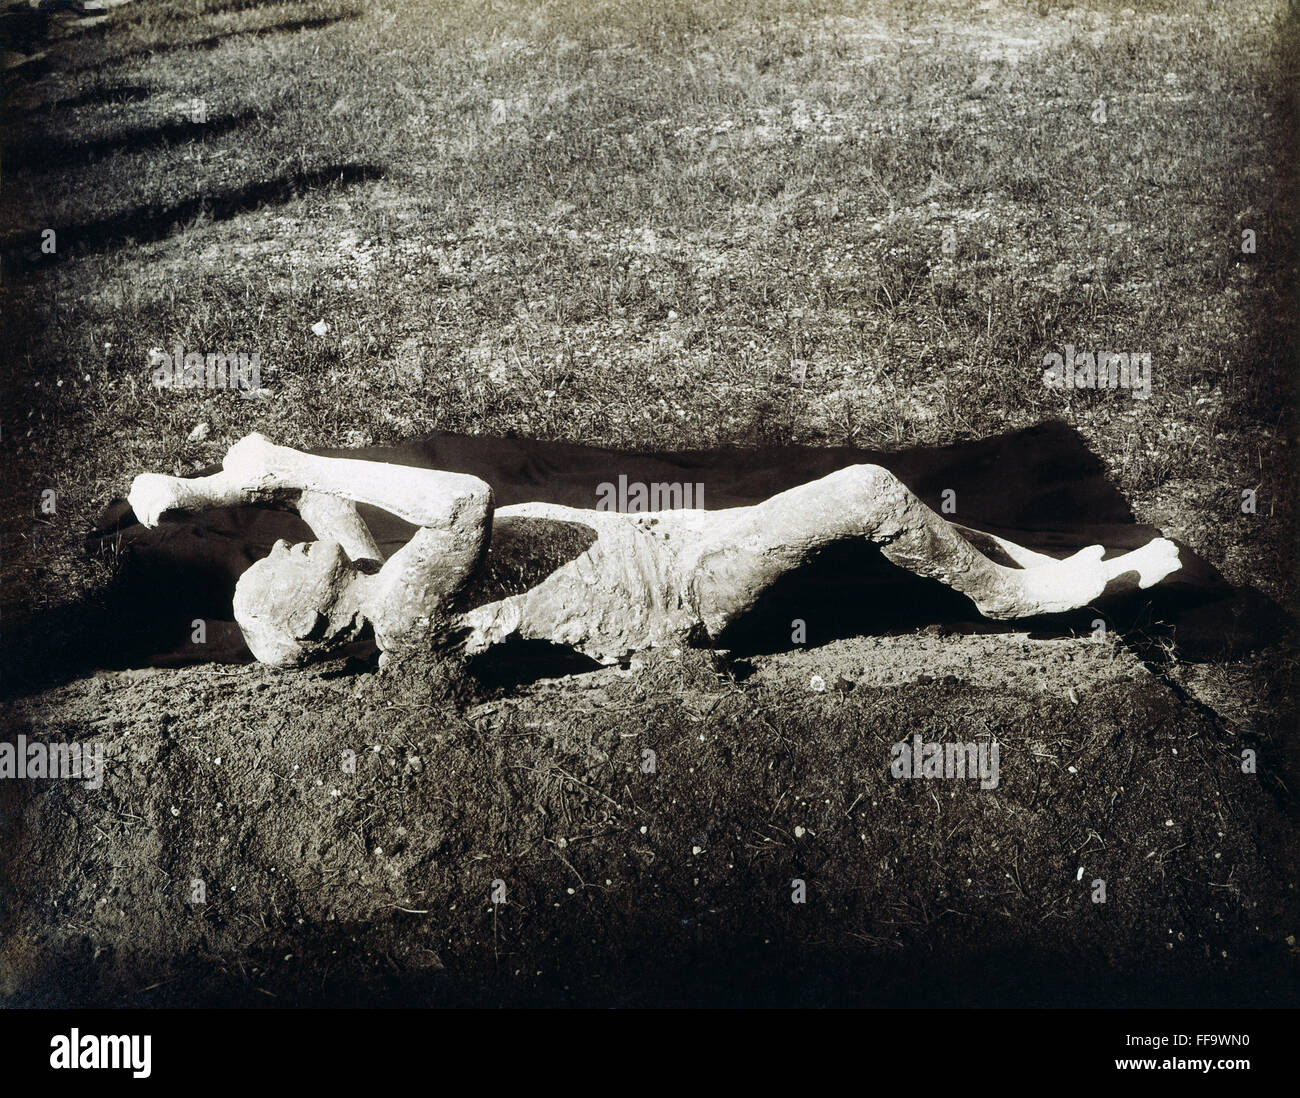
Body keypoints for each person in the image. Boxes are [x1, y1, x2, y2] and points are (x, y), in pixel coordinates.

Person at [126, 433, 1184, 668]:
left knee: (899, 519)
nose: (278, 548)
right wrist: (280, 464)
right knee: (862, 494)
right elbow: (459, 499)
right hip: (679, 588)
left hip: (661, 541)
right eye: (273, 566)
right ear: (316, 617)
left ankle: (1030, 573)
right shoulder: (402, 612)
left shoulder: (365, 584)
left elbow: (311, 494)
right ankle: (1013, 601)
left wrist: (209, 490)